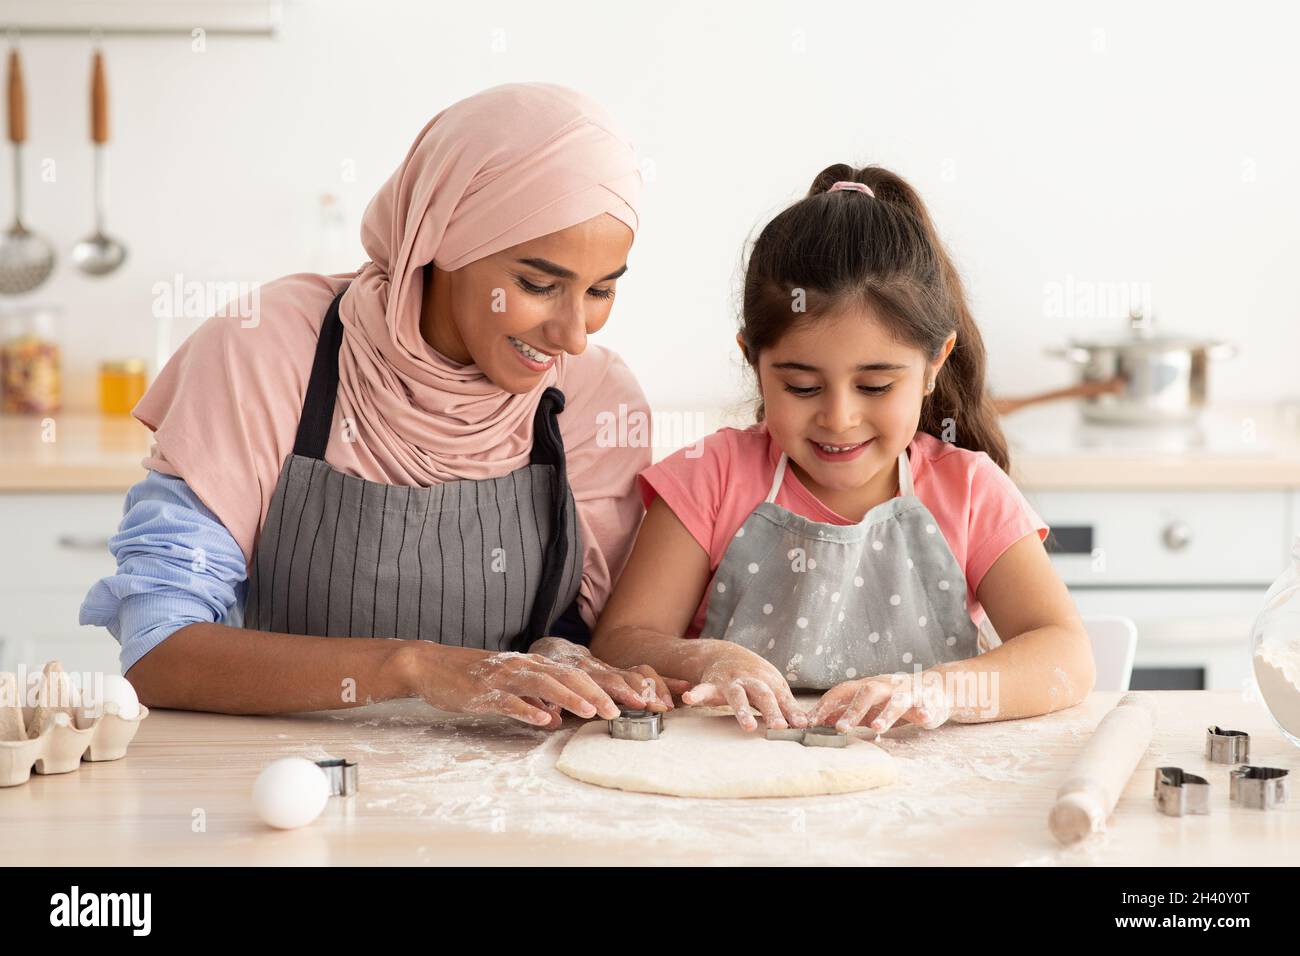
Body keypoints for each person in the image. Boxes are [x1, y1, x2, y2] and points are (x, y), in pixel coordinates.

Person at [81, 83, 686, 728]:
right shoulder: (269, 352)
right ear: (441, 237)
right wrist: (412, 669)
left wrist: (575, 661)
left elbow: (595, 632)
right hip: (275, 776)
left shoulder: (593, 399)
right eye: (537, 285)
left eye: (600, 291)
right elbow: (160, 650)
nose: (572, 336)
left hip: (501, 790)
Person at [590, 165, 1095, 734]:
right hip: (743, 788)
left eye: (876, 386)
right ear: (753, 361)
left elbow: (1064, 655)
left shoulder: (968, 490)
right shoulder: (711, 477)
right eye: (801, 387)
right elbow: (620, 641)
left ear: (934, 364)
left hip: (923, 795)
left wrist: (938, 690)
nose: (839, 417)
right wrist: (710, 659)